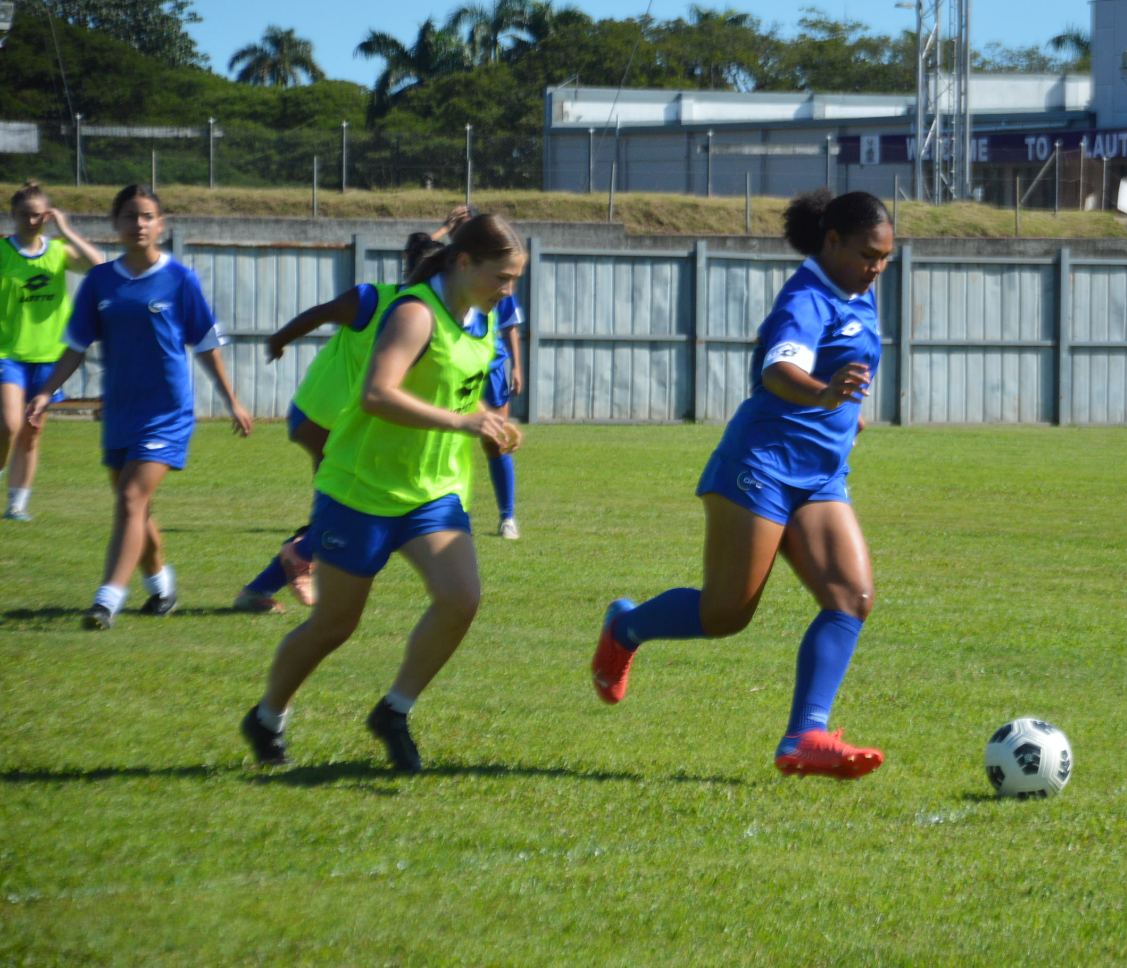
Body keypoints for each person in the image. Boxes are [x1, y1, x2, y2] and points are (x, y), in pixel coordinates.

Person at [590, 189, 893, 779]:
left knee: (851, 598)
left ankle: (804, 735)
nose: (878, 266)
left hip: (821, 474)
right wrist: (824, 393)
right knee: (726, 613)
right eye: (867, 254)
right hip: (762, 466)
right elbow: (778, 370)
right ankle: (624, 628)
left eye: (885, 256)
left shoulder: (858, 288)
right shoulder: (804, 300)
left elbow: (846, 357)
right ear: (832, 243)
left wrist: (844, 413)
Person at [240, 212, 525, 773]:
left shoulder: (481, 320)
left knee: (462, 598)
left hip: (432, 493)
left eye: (515, 279)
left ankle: (394, 711)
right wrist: (461, 422)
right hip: (360, 490)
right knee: (334, 627)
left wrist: (488, 422)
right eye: (502, 277)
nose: (508, 290)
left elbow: (456, 394)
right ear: (464, 263)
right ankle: (267, 715)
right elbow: (376, 394)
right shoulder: (415, 313)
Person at [26, 185, 252, 629]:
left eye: (148, 216)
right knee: (136, 506)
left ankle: (106, 600)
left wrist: (232, 400)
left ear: (161, 224)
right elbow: (75, 346)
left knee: (131, 497)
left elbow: (206, 343)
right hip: (120, 412)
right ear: (116, 224)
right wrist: (45, 390)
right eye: (130, 216)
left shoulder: (180, 280)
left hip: (167, 411)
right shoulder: (100, 282)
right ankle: (162, 587)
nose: (139, 224)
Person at [233, 212, 469, 613]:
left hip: (332, 418)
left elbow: (420, 251)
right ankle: (298, 555)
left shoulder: (385, 298)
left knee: (348, 509)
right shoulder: (393, 306)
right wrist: (279, 339)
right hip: (327, 420)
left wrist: (279, 340)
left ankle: (263, 586)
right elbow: (318, 313)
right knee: (349, 510)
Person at [0, 182, 105, 520]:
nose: (32, 221)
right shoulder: (3, 252)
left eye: (38, 215)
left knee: (32, 431)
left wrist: (66, 229)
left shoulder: (57, 251)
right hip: (8, 353)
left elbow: (98, 265)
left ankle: (17, 504)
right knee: (9, 423)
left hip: (50, 356)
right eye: (25, 215)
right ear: (13, 215)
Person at [481, 289, 525, 539]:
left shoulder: (497, 279)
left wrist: (517, 367)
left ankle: (507, 517)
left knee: (495, 441)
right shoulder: (448, 279)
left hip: (492, 365)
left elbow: (509, 325)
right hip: (453, 362)